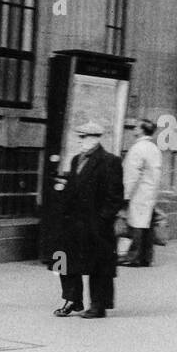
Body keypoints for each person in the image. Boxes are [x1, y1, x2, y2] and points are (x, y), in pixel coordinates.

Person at [51, 121, 124, 318]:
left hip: (96, 224)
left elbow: (115, 196)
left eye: (83, 137)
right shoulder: (76, 160)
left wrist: (103, 219)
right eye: (79, 137)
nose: (80, 140)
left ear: (96, 138)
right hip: (74, 223)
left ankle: (98, 305)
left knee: (98, 265)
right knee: (63, 261)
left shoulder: (110, 161)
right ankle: (72, 299)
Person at [120, 119, 162, 267]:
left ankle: (133, 257)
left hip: (138, 191)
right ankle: (147, 257)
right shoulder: (153, 147)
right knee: (147, 226)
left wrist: (124, 195)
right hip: (149, 191)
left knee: (136, 224)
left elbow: (131, 175)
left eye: (137, 126)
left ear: (142, 130)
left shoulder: (138, 148)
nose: (134, 128)